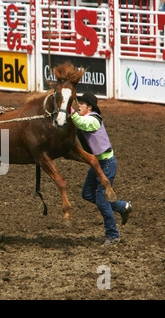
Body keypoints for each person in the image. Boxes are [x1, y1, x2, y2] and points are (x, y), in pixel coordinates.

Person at [71, 93, 132, 246]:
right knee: (87, 194)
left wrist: (67, 110)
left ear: (89, 107)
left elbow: (81, 123)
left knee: (101, 200)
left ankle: (112, 236)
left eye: (82, 104)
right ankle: (122, 207)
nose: (79, 106)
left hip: (106, 164)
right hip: (98, 164)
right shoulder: (87, 118)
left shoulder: (93, 119)